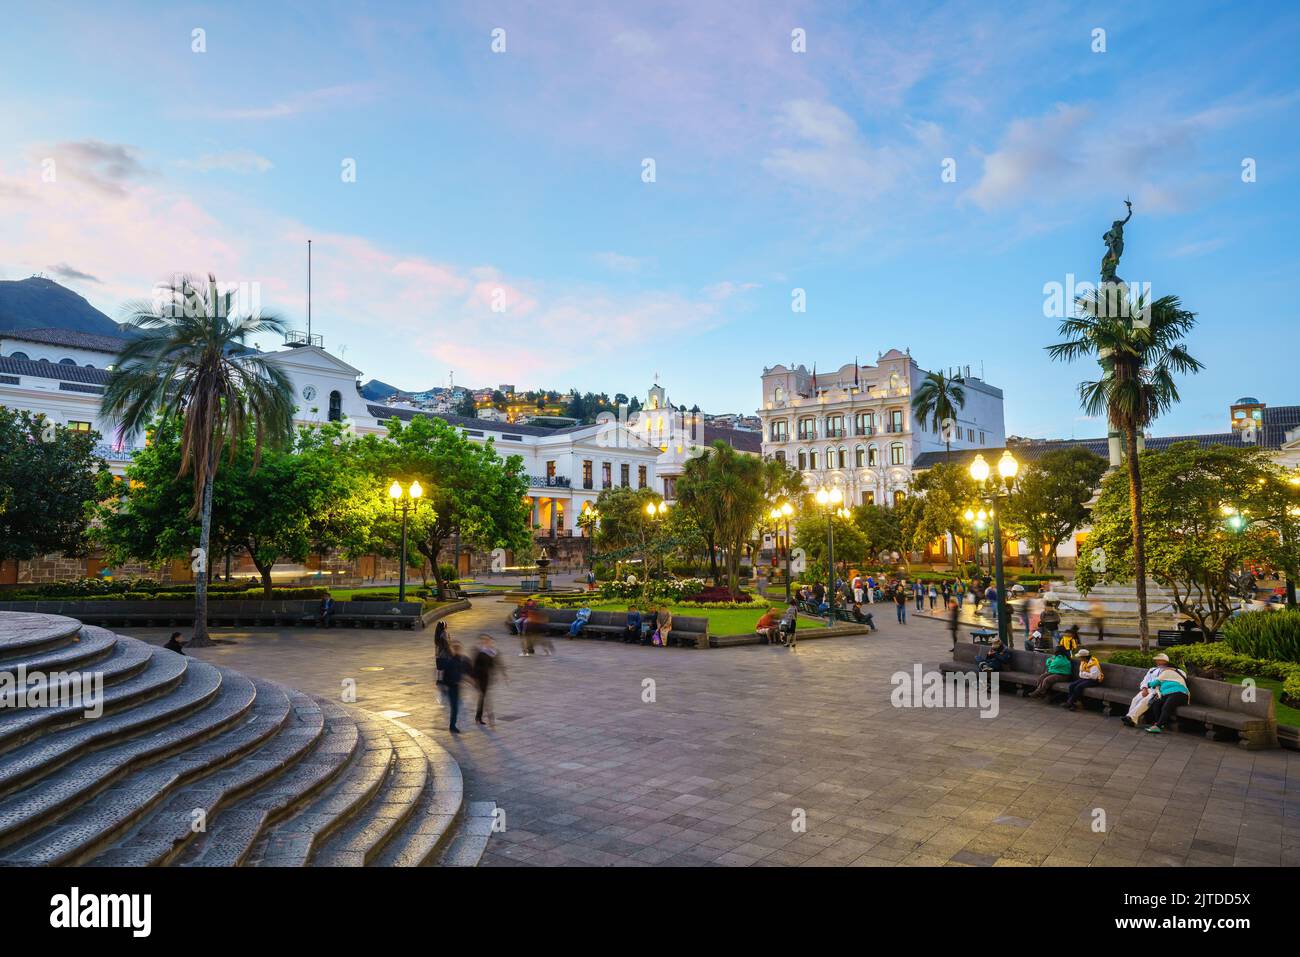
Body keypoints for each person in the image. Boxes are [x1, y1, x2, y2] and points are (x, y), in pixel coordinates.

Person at [1122, 653, 1175, 727]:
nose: (1156, 661)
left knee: (1145, 701)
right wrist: (1144, 688)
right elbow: (1145, 680)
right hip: (1147, 689)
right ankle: (1131, 719)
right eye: (1156, 660)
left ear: (1164, 661)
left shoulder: (1169, 671)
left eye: (1159, 660)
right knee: (1135, 699)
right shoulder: (1152, 670)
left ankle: (1130, 718)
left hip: (1157, 691)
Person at [1144, 660, 1191, 734]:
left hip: (1179, 693)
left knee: (1166, 706)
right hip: (1171, 695)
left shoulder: (1167, 672)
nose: (1161, 669)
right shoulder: (1179, 672)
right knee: (1157, 703)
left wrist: (1147, 685)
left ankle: (1158, 726)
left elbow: (1154, 683)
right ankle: (1159, 723)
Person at [438, 640, 471, 733]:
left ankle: (453, 725)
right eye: (455, 648)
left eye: (458, 648)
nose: (457, 650)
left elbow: (462, 672)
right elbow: (444, 677)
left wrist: (466, 680)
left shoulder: (460, 659)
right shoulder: (449, 661)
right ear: (452, 649)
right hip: (451, 688)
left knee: (456, 707)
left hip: (456, 687)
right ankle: (452, 726)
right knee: (455, 707)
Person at [471, 634, 504, 728]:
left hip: (487, 677)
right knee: (485, 698)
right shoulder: (479, 652)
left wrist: (499, 674)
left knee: (482, 697)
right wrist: (474, 679)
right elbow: (474, 666)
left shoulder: (492, 652)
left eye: (488, 640)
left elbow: (495, 664)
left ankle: (478, 717)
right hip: (480, 678)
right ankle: (490, 718)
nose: (487, 642)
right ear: (482, 642)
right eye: (485, 640)